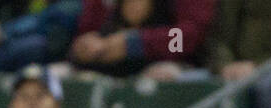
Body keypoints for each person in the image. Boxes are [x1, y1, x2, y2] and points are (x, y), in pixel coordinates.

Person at [71, 0, 215, 79]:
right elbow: (89, 28)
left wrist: (138, 43)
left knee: (162, 76)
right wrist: (85, 44)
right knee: (68, 76)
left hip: (175, 62)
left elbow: (190, 37)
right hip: (107, 61)